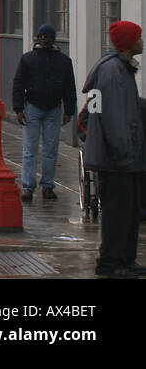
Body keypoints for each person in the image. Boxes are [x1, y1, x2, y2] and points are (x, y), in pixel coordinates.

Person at [82, 20, 146, 278]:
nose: (142, 41)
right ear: (129, 42)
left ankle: (125, 259)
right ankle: (111, 263)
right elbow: (114, 117)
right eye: (139, 37)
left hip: (124, 156)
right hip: (117, 159)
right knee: (118, 214)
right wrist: (124, 151)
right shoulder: (113, 72)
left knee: (130, 213)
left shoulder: (120, 69)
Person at [12, 22, 76, 203]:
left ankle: (47, 185)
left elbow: (69, 88)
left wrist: (68, 110)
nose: (44, 39)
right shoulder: (28, 59)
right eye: (41, 36)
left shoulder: (64, 62)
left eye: (47, 36)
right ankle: (28, 186)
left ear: (53, 39)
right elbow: (19, 84)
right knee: (29, 150)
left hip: (53, 109)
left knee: (50, 150)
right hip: (32, 107)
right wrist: (18, 108)